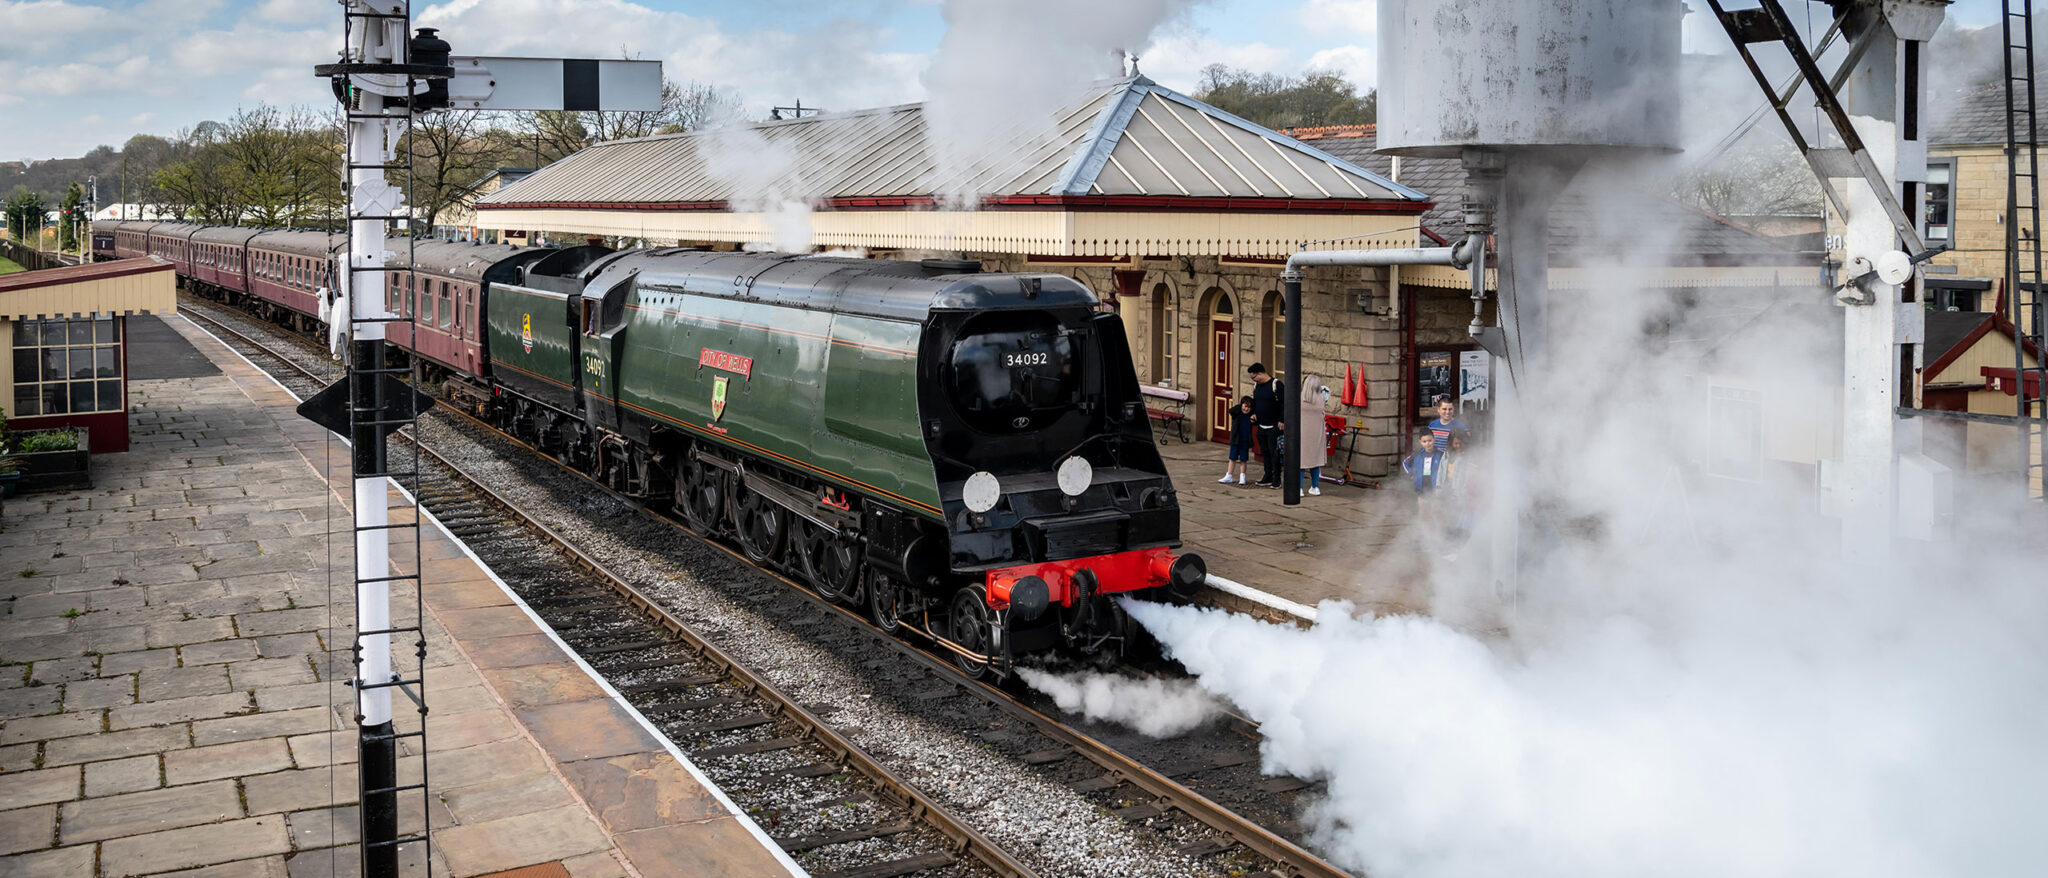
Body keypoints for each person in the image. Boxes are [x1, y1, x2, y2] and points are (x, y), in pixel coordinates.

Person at [1248, 363, 1285, 487]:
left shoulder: (1276, 385)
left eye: (1254, 377)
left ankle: (1276, 479)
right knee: (1265, 452)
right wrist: (1254, 414)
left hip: (1274, 426)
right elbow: (1255, 403)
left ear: (1260, 373)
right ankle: (1267, 476)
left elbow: (1284, 403)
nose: (1253, 380)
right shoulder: (1256, 386)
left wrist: (1282, 420)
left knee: (1274, 453)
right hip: (1261, 425)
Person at [1402, 427, 1445, 525]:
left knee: (1436, 513)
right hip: (1421, 489)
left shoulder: (1441, 454)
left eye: (1430, 440)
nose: (1428, 443)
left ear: (1434, 439)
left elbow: (1446, 467)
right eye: (1424, 441)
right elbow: (1405, 463)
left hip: (1435, 489)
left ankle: (1438, 534)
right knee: (1423, 513)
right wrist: (1411, 474)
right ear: (1420, 442)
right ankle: (1424, 534)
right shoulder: (1417, 454)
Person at [1298, 374, 1329, 495]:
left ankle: (1299, 488)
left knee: (1301, 462)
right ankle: (1315, 487)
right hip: (1317, 433)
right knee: (1315, 461)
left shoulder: (1300, 398)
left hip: (1302, 432)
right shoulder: (1322, 398)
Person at [1219, 396, 1254, 485]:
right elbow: (1231, 411)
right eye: (1245, 406)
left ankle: (1242, 476)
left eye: (1248, 407)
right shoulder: (1237, 413)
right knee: (1232, 458)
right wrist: (1240, 406)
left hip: (1245, 440)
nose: (1246, 409)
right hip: (1236, 439)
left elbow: (1256, 421)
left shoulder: (1251, 416)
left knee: (1243, 459)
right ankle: (1229, 475)